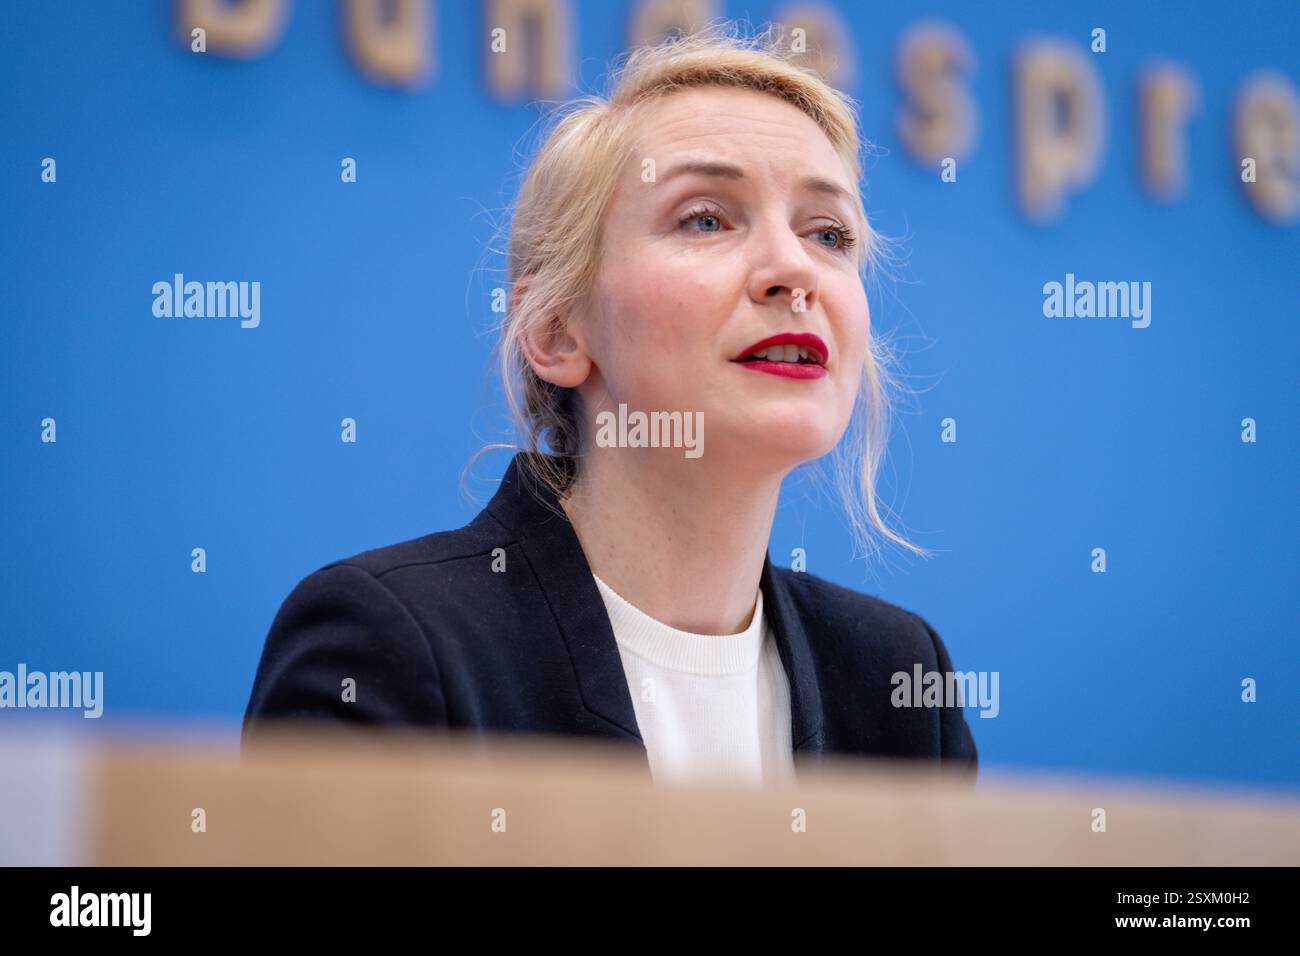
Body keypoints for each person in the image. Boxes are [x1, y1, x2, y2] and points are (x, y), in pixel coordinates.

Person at [243, 23, 978, 787]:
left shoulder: (899, 679)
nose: (794, 271)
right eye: (706, 218)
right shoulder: (389, 642)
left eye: (829, 234)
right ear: (556, 330)